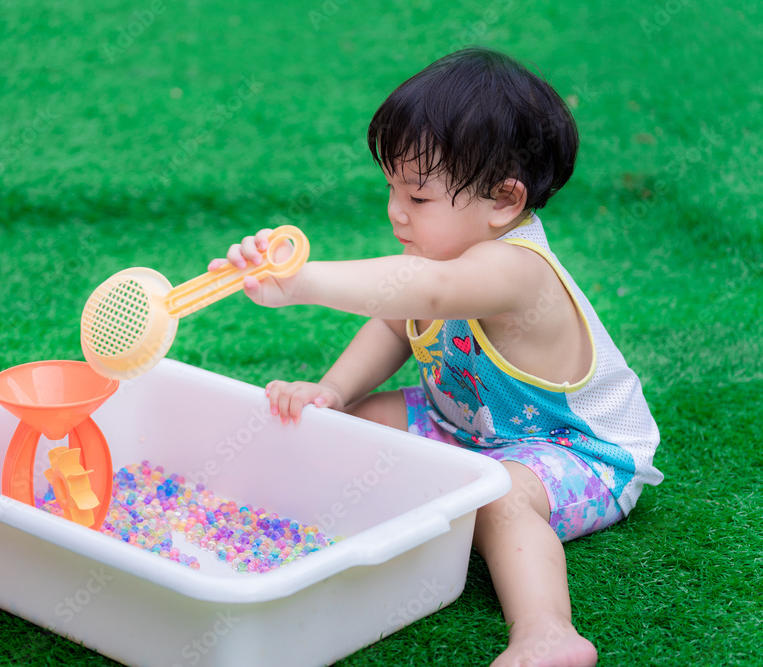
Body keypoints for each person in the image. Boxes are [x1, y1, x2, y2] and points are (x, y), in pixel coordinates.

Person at [208, 47, 663, 667]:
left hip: (572, 449)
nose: (396, 210)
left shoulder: (516, 271)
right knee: (358, 420)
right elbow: (397, 322)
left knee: (499, 499)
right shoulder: (441, 257)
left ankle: (547, 632)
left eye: (418, 197)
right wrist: (335, 391)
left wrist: (302, 282)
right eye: (391, 187)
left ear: (504, 200)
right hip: (468, 426)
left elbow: (426, 292)